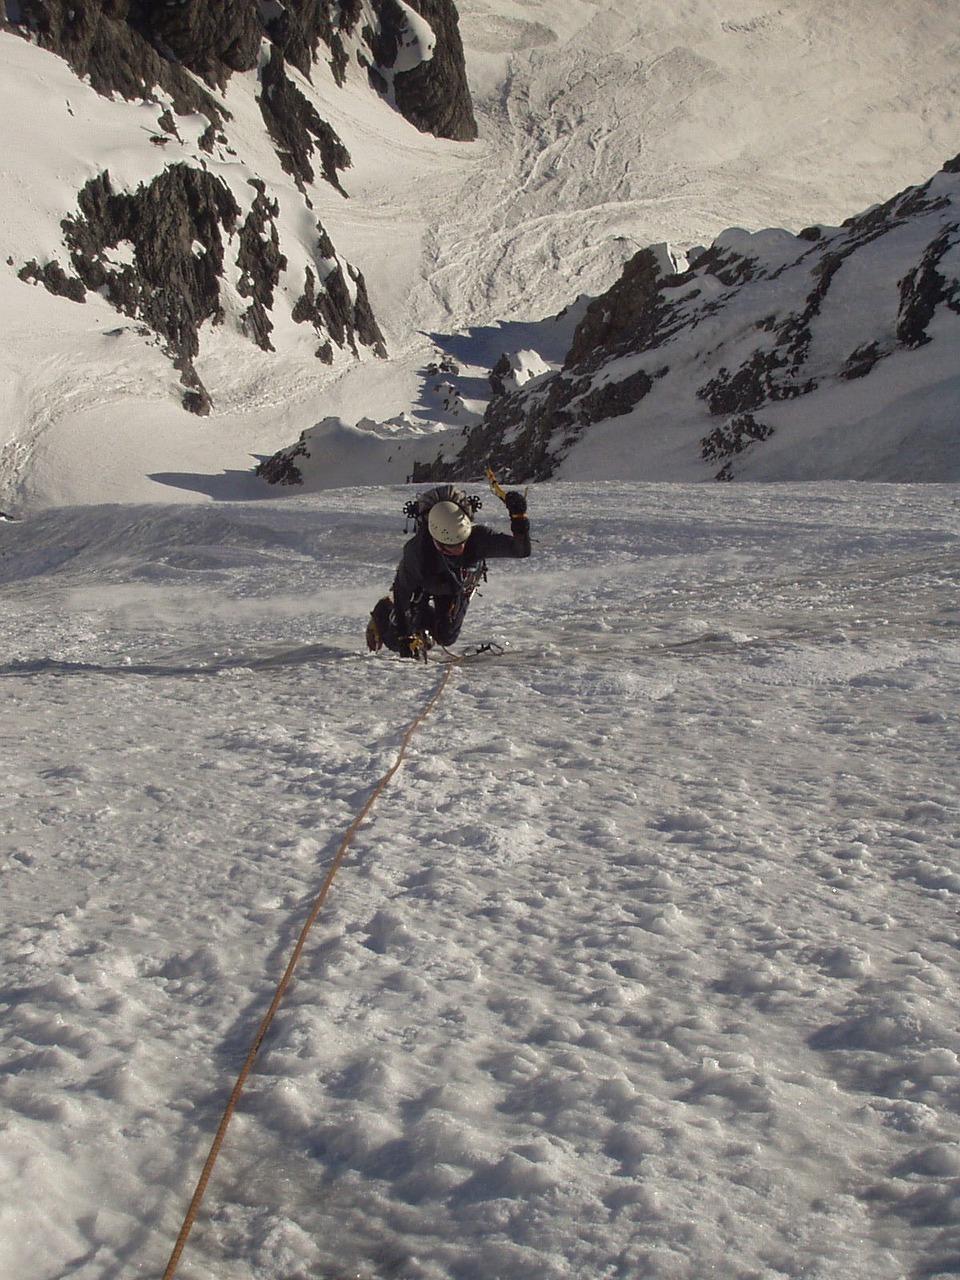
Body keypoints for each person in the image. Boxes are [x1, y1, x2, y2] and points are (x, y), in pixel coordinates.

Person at [366, 485, 530, 658]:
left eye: (462, 541)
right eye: (452, 546)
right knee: (395, 639)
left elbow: (521, 550)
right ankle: (384, 611)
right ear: (437, 542)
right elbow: (402, 593)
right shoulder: (418, 553)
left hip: (456, 584)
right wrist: (405, 636)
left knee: (446, 636)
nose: (460, 549)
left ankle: (422, 623)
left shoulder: (478, 540)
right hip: (428, 579)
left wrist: (519, 518)